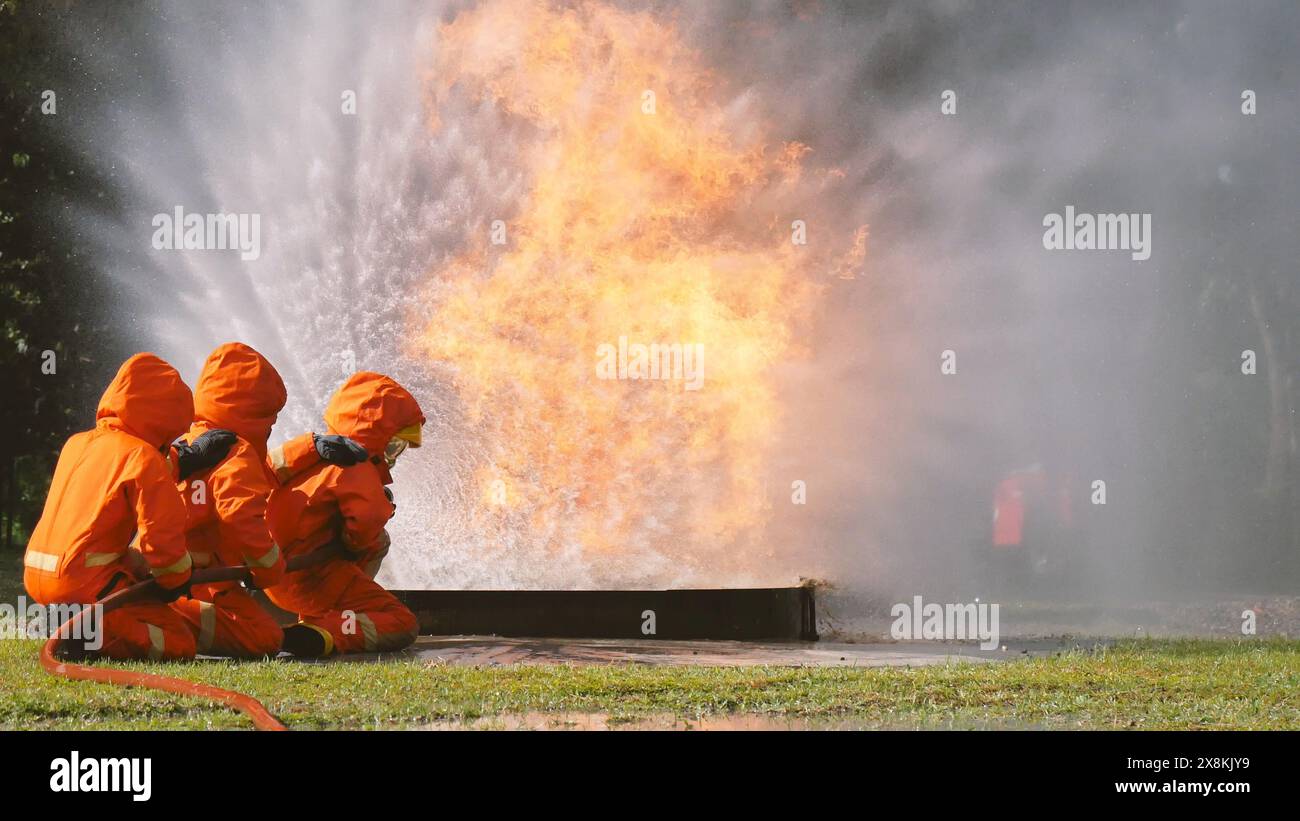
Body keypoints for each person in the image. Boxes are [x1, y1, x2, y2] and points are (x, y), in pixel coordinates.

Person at [24, 353, 232, 660]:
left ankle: (68, 621)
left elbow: (118, 472)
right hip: (83, 585)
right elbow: (161, 540)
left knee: (131, 567)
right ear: (166, 419)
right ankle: (85, 633)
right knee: (178, 642)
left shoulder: (78, 443)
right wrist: (176, 579)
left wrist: (179, 460)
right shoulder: (144, 458)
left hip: (39, 577)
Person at [264, 371, 424, 656]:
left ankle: (315, 624)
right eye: (394, 445)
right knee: (402, 623)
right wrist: (375, 509)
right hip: (313, 581)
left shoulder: (312, 452)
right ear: (378, 436)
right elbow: (366, 525)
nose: (394, 456)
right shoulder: (357, 466)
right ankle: (329, 631)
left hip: (274, 577)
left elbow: (262, 473)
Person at [170, 342, 289, 658]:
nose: (271, 428)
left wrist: (312, 447)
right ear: (254, 415)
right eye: (270, 419)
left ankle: (153, 610)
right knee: (264, 638)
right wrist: (269, 570)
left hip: (170, 571)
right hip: (198, 582)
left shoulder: (187, 446)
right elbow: (240, 516)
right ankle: (163, 616)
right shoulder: (238, 453)